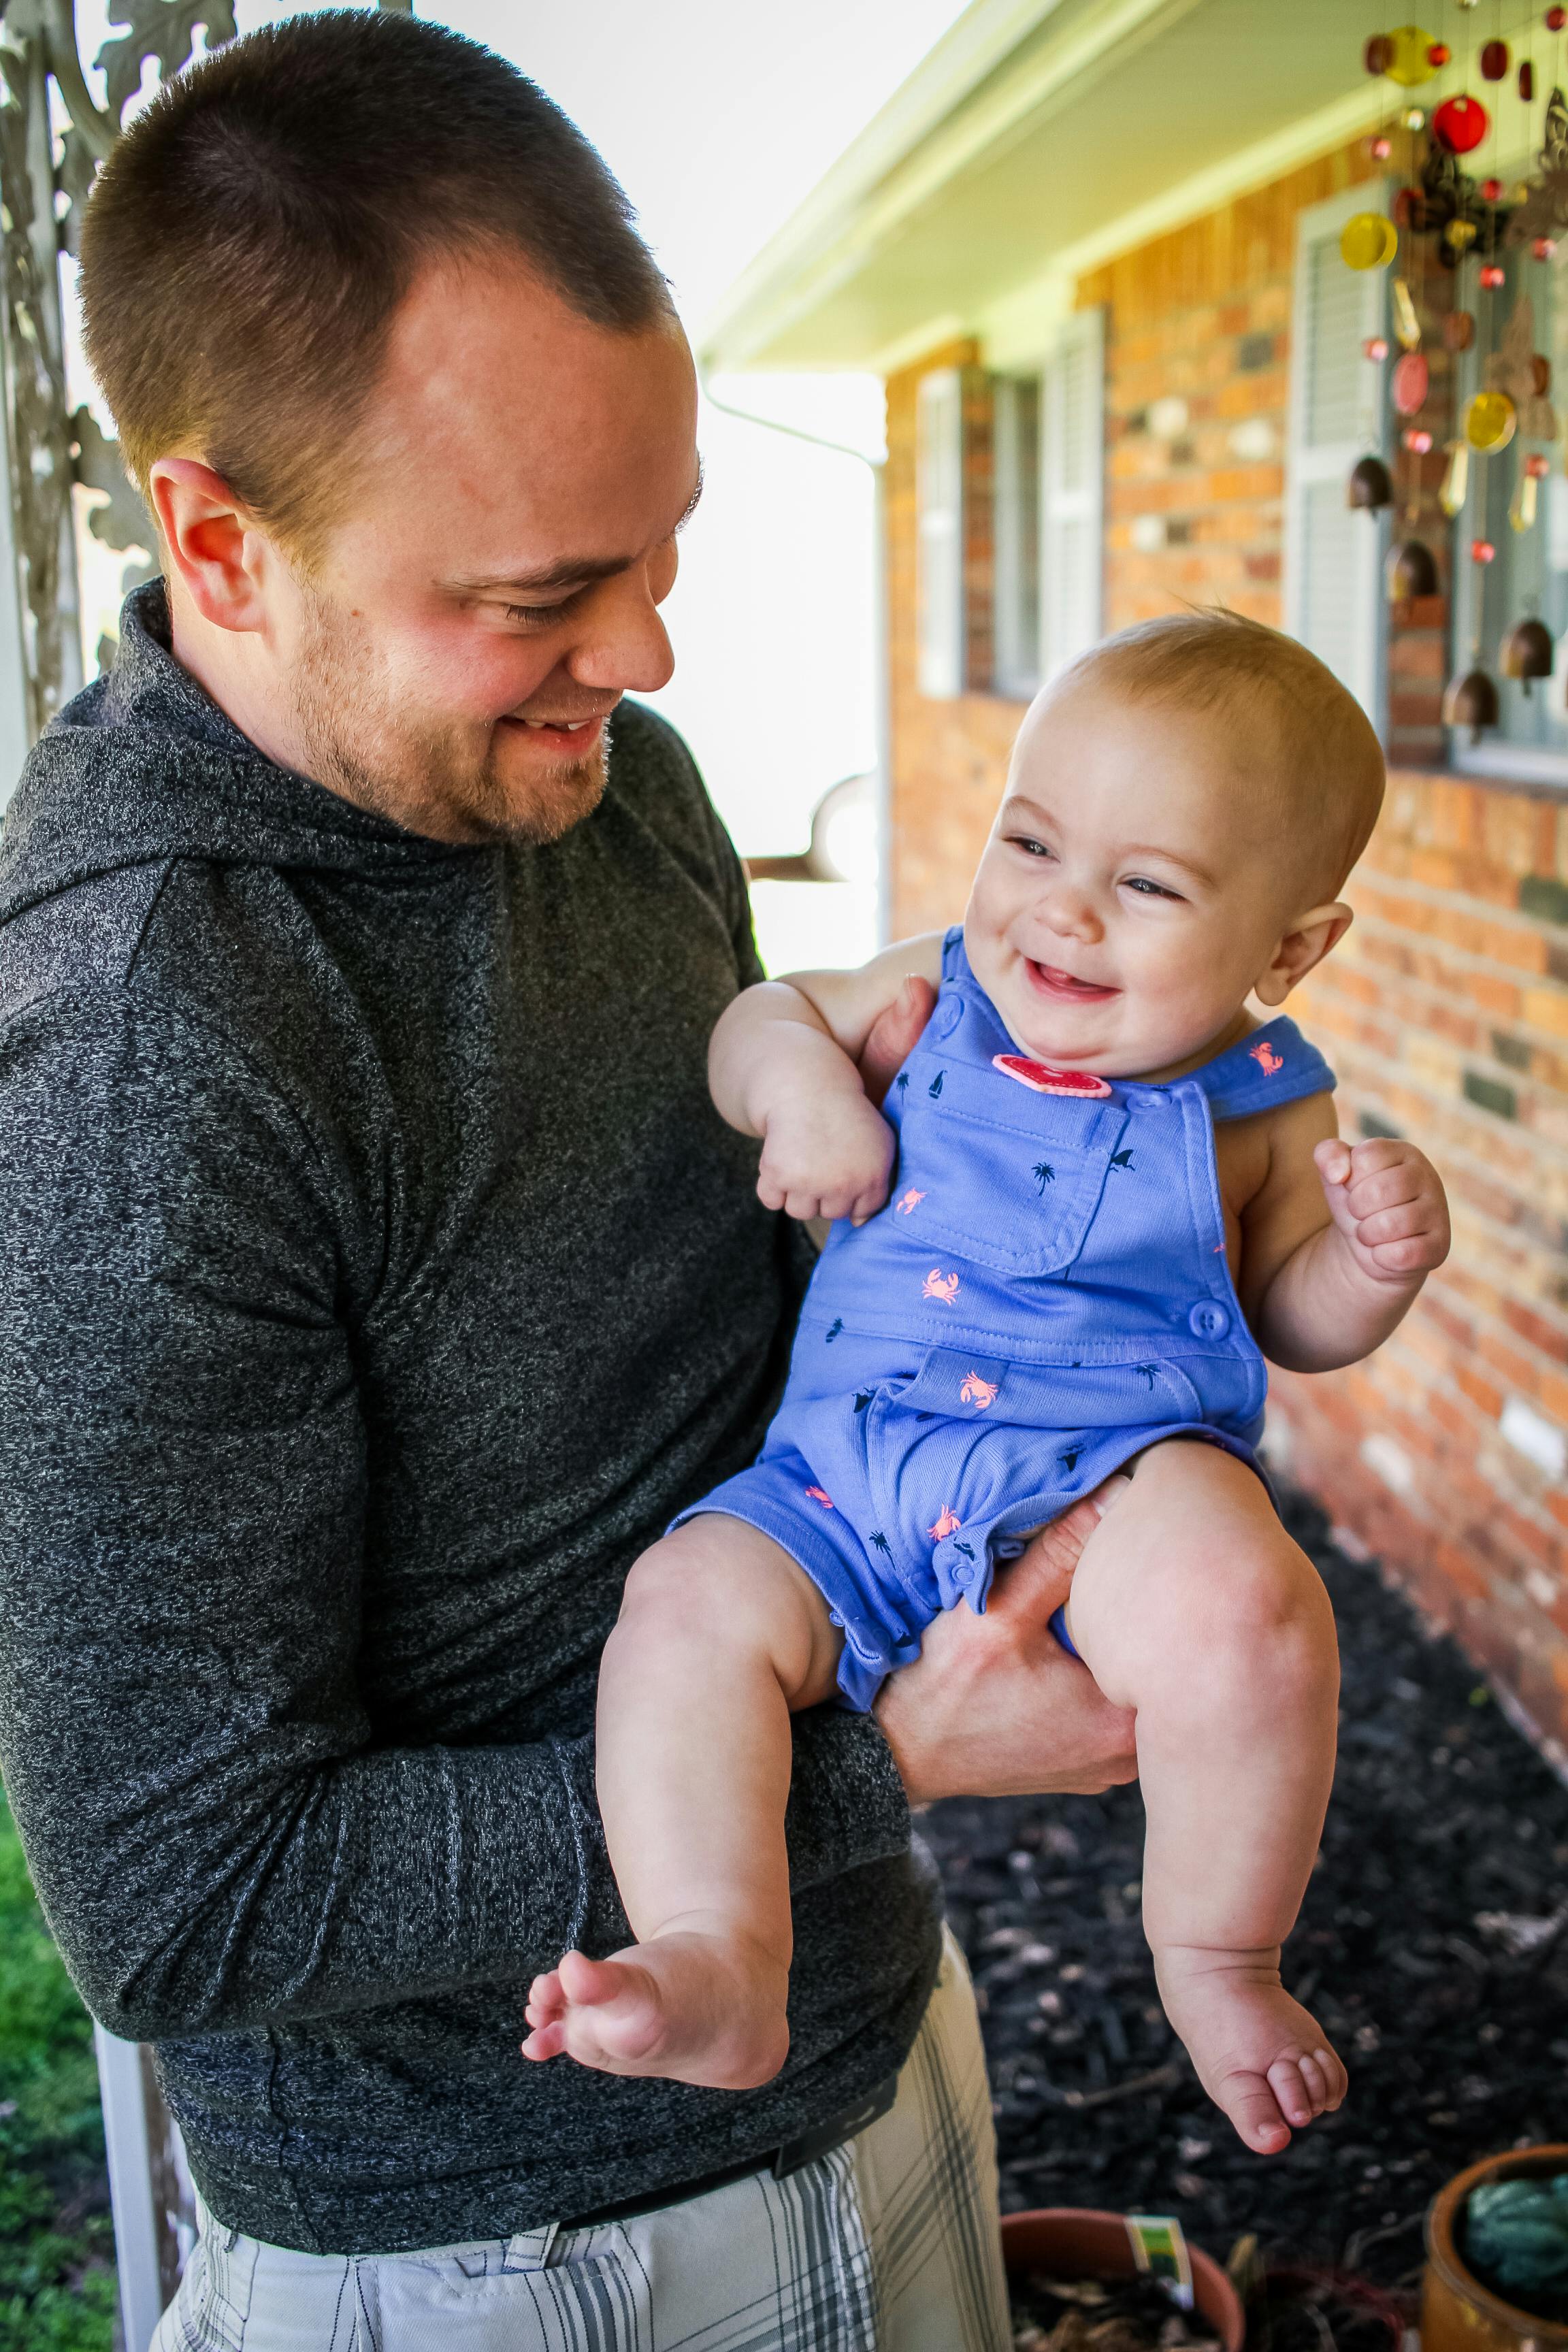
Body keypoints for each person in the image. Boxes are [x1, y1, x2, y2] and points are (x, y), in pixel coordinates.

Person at [0, 16, 1137, 2349]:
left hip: (874, 2041)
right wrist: (889, 1754)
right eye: (540, 595)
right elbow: (186, 1890)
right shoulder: (148, 1038)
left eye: (665, 544)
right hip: (512, 2244)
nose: (645, 650)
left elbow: (705, 1321)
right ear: (220, 538)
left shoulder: (618, 780)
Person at [525, 612, 1452, 2157]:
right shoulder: (937, 990)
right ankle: (717, 1951)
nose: (1062, 914)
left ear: (1289, 951)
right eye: (1030, 843)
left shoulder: (1267, 1104)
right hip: (841, 1484)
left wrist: (1373, 1260)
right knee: (684, 1607)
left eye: (1145, 885)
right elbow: (761, 1018)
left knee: (1252, 1609)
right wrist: (811, 1095)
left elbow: (1295, 1310)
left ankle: (1218, 1954)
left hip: (1116, 1487)